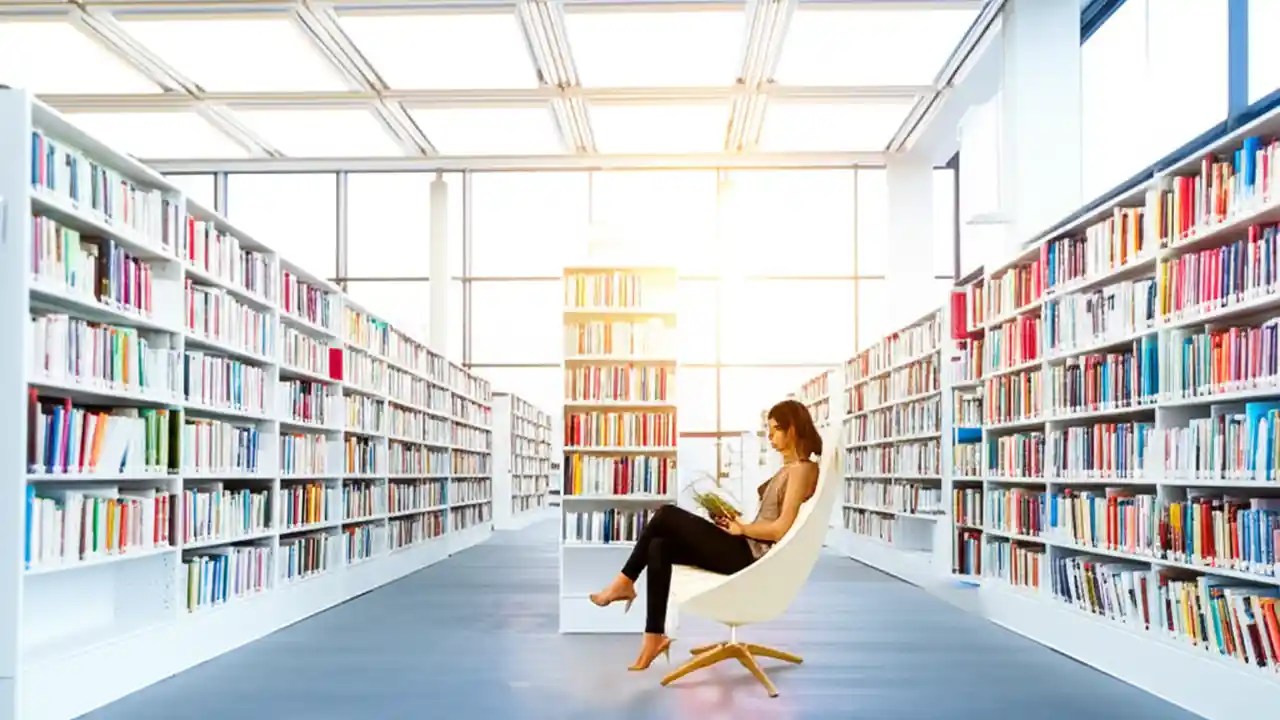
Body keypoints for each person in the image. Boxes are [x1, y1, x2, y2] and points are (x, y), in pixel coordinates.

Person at [588, 398, 822, 671]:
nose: (769, 436)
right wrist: (738, 522)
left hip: (749, 555)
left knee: (665, 514)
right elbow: (770, 520)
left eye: (774, 429)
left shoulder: (803, 470)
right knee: (659, 546)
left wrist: (743, 529)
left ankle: (624, 582)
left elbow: (781, 528)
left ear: (792, 429)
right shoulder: (789, 468)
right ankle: (653, 636)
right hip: (744, 544)